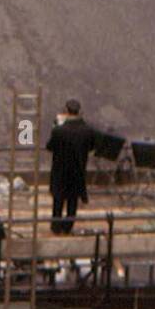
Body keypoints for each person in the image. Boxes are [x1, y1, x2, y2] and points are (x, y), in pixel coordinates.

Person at [46, 99, 95, 234]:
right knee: (72, 202)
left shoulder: (59, 131)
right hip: (77, 171)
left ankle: (56, 227)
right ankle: (68, 227)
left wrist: (56, 126)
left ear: (66, 111)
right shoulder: (87, 130)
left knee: (58, 201)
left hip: (60, 171)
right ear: (79, 112)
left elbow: (50, 147)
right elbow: (91, 147)